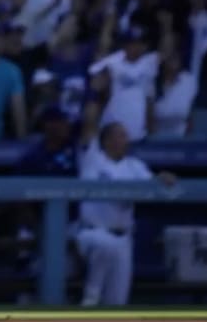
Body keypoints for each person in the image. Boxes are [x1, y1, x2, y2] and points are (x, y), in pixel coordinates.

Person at [75, 112, 178, 307]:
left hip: (124, 237)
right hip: (91, 233)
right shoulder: (92, 159)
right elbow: (89, 124)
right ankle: (91, 295)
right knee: (105, 245)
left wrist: (162, 178)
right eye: (120, 135)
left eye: (125, 135)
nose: (125, 139)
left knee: (117, 302)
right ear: (106, 140)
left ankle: (99, 315)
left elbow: (153, 184)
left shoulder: (134, 165)